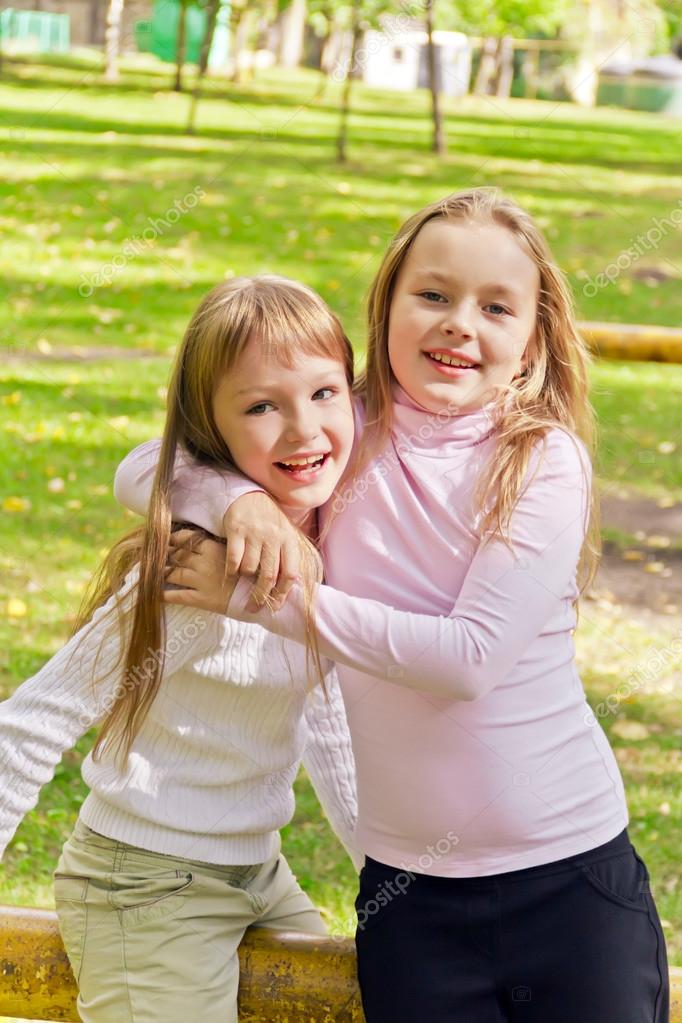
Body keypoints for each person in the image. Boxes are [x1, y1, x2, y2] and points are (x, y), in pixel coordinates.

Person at [114, 189, 669, 1022]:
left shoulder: (541, 461)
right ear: (387, 305)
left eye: (495, 306)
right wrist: (240, 503)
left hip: (569, 877)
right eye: (434, 295)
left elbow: (467, 658)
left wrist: (276, 605)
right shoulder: (344, 432)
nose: (458, 323)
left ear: (530, 342)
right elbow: (146, 466)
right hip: (410, 894)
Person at [0, 275, 362, 1023]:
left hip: (256, 872)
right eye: (262, 406)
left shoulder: (332, 541)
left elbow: (327, 728)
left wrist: (390, 877)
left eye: (325, 392)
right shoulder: (194, 573)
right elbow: (36, 717)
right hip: (143, 886)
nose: (304, 429)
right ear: (212, 428)